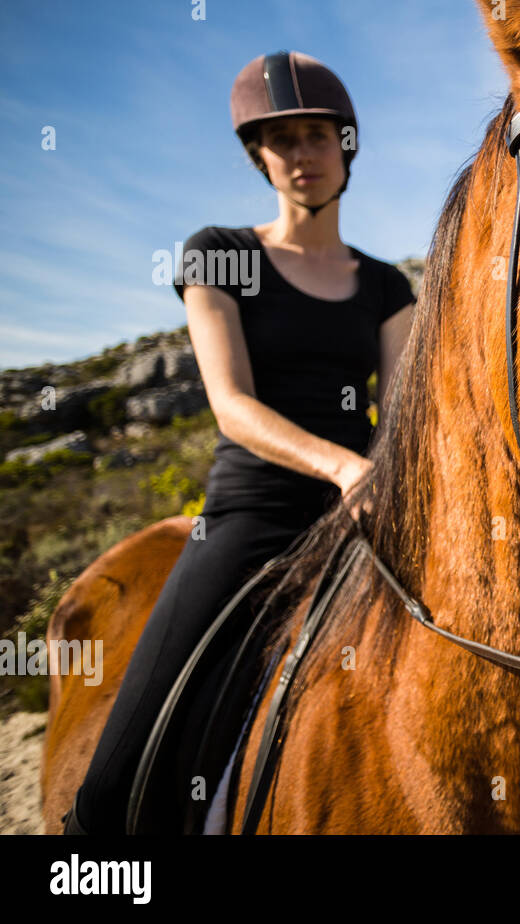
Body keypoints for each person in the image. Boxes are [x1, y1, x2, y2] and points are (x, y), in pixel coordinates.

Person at [63, 50, 416, 834]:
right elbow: (230, 405)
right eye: (281, 139)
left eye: (318, 136)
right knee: (126, 760)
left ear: (345, 147)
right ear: (259, 156)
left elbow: (399, 413)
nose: (302, 155)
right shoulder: (221, 251)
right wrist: (341, 465)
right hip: (252, 512)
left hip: (364, 511)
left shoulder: (389, 285)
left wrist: (381, 475)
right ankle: (92, 853)